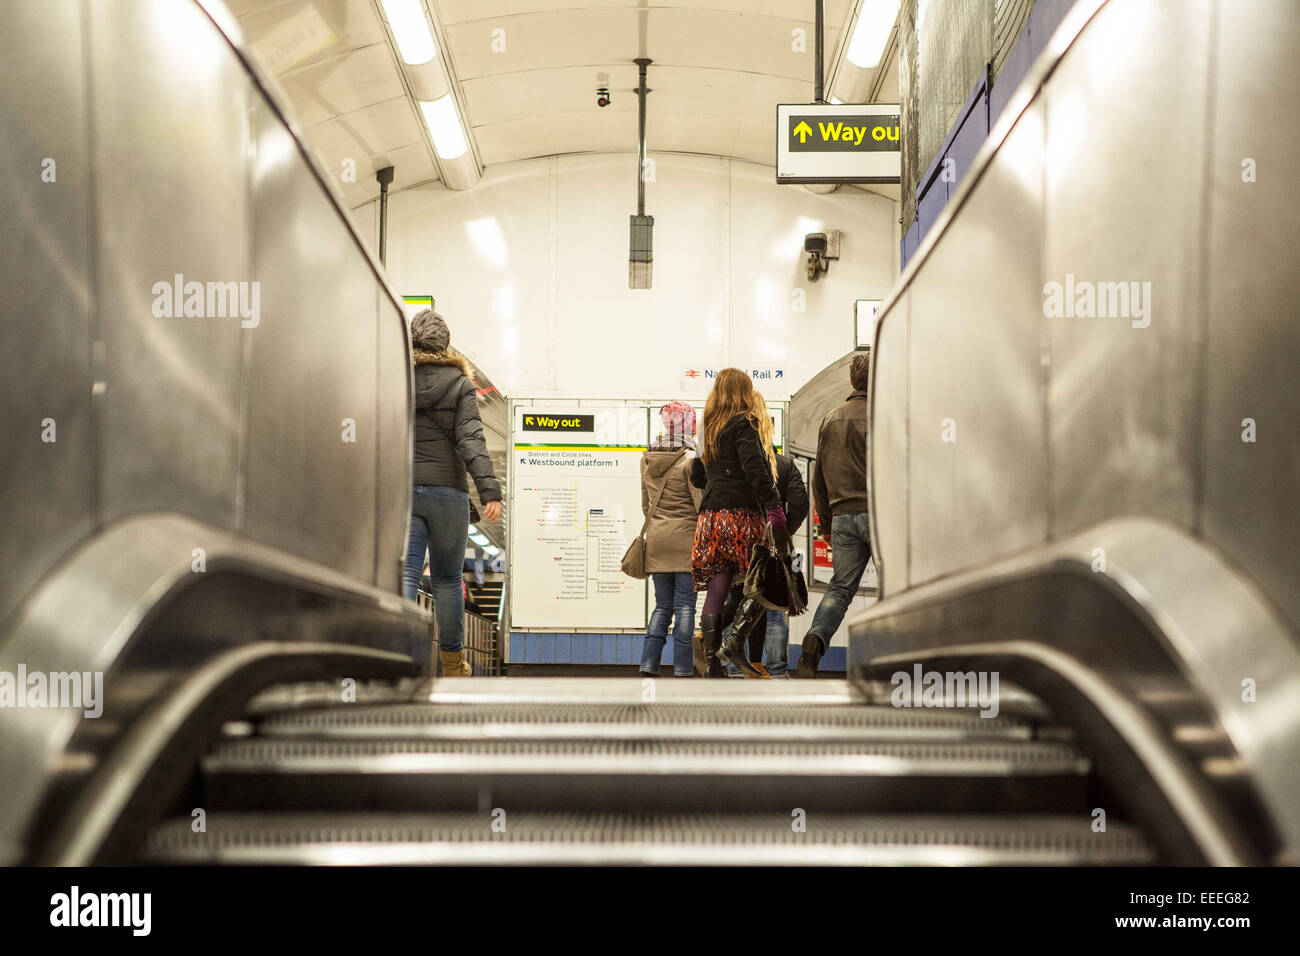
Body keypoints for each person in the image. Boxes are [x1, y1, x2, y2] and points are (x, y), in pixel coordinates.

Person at [403, 309, 502, 677]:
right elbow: (471, 439)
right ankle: (453, 665)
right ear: (446, 345)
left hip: (407, 490)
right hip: (449, 494)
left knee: (408, 574)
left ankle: (403, 656)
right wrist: (489, 490)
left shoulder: (398, 379)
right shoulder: (460, 385)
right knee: (446, 580)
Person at [690, 369, 786, 677]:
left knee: (717, 589)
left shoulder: (706, 427)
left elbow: (696, 476)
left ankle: (713, 664)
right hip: (742, 515)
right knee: (759, 583)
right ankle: (733, 641)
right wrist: (774, 507)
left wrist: (718, 474)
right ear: (744, 391)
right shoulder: (745, 423)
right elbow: (756, 470)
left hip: (711, 518)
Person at [799, 351, 872, 677]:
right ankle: (886, 663)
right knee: (897, 588)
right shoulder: (884, 416)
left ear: (852, 380)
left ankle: (814, 643)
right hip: (880, 515)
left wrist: (827, 524)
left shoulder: (830, 418)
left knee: (840, 589)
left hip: (842, 516)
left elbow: (819, 479)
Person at [638, 401, 703, 677]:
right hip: (686, 539)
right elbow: (700, 504)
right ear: (689, 424)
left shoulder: (647, 458)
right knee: (685, 606)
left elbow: (645, 504)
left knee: (662, 606)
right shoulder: (691, 459)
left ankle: (649, 663)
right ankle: (682, 667)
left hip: (657, 540)